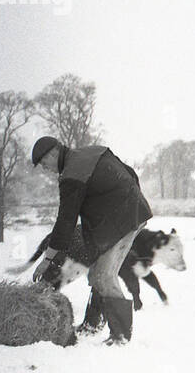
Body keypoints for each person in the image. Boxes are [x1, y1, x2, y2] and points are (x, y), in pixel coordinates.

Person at [30, 135, 152, 345]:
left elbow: (66, 221)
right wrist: (133, 200)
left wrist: (47, 260)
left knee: (104, 275)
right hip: (127, 214)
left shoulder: (72, 175)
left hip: (124, 221)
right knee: (97, 274)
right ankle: (94, 324)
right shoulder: (91, 151)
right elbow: (130, 173)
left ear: (53, 153)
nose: (44, 168)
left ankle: (121, 337)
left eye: (43, 163)